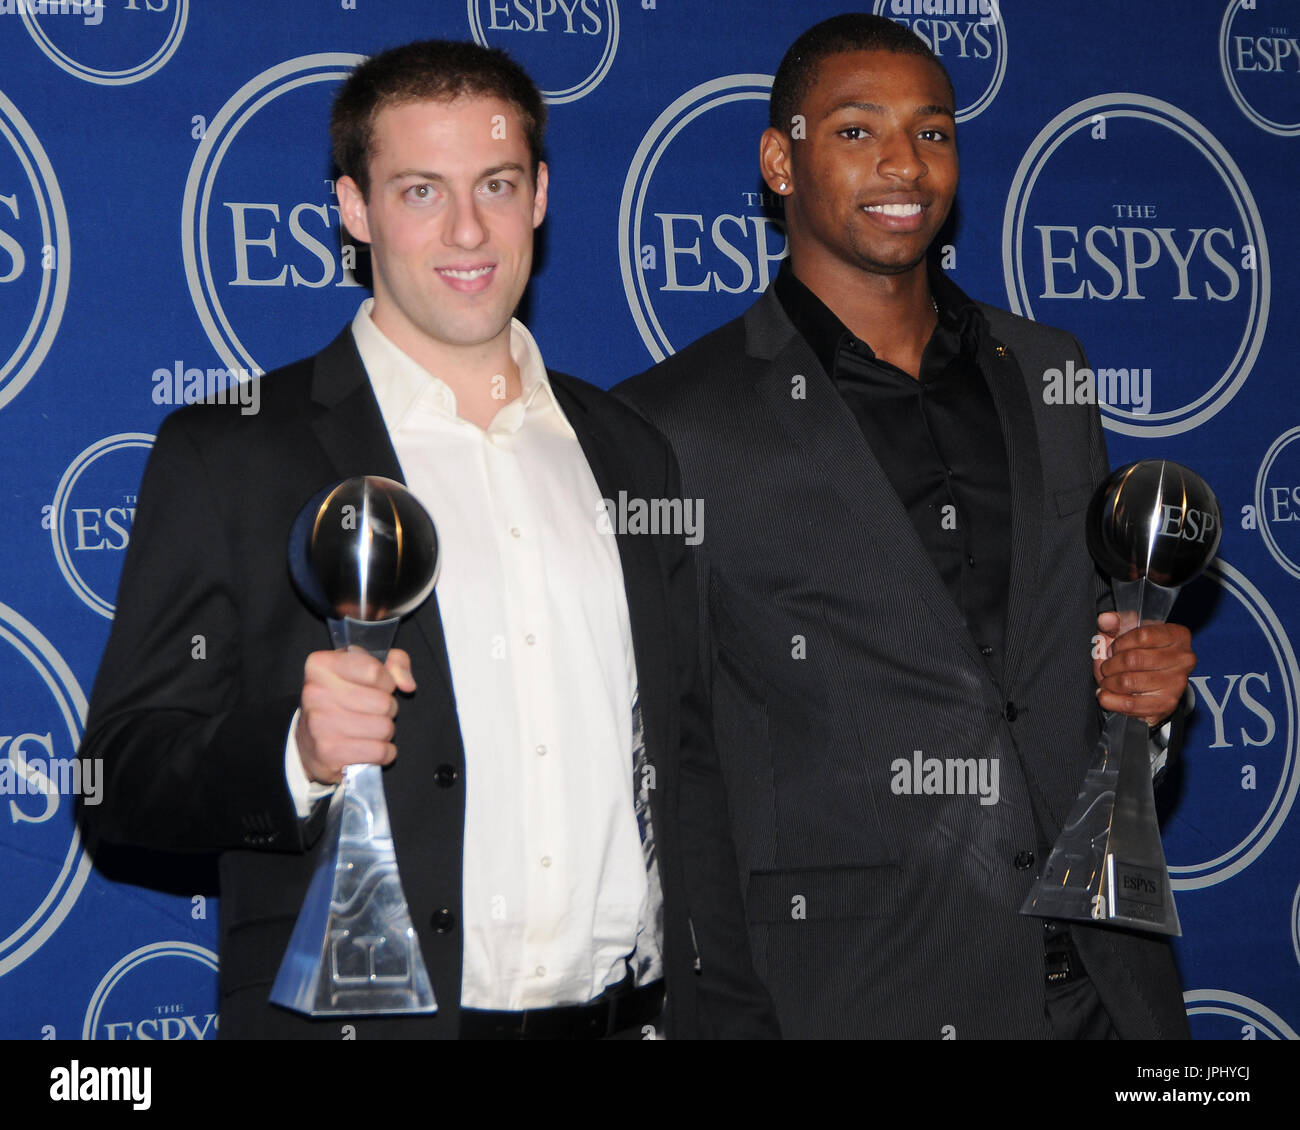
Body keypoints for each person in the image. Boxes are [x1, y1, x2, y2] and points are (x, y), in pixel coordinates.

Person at [78, 39, 776, 1040]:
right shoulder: (230, 452)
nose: (466, 228)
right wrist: (297, 751)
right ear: (353, 210)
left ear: (538, 193)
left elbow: (687, 759)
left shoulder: (627, 451)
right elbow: (121, 778)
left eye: (495, 183)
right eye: (418, 190)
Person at [615, 14, 1196, 1039]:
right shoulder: (672, 423)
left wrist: (1145, 706)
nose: (902, 163)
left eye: (932, 131)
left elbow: (1075, 665)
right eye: (853, 131)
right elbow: (665, 755)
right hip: (856, 988)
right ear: (777, 162)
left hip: (1108, 984)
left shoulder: (1050, 371)